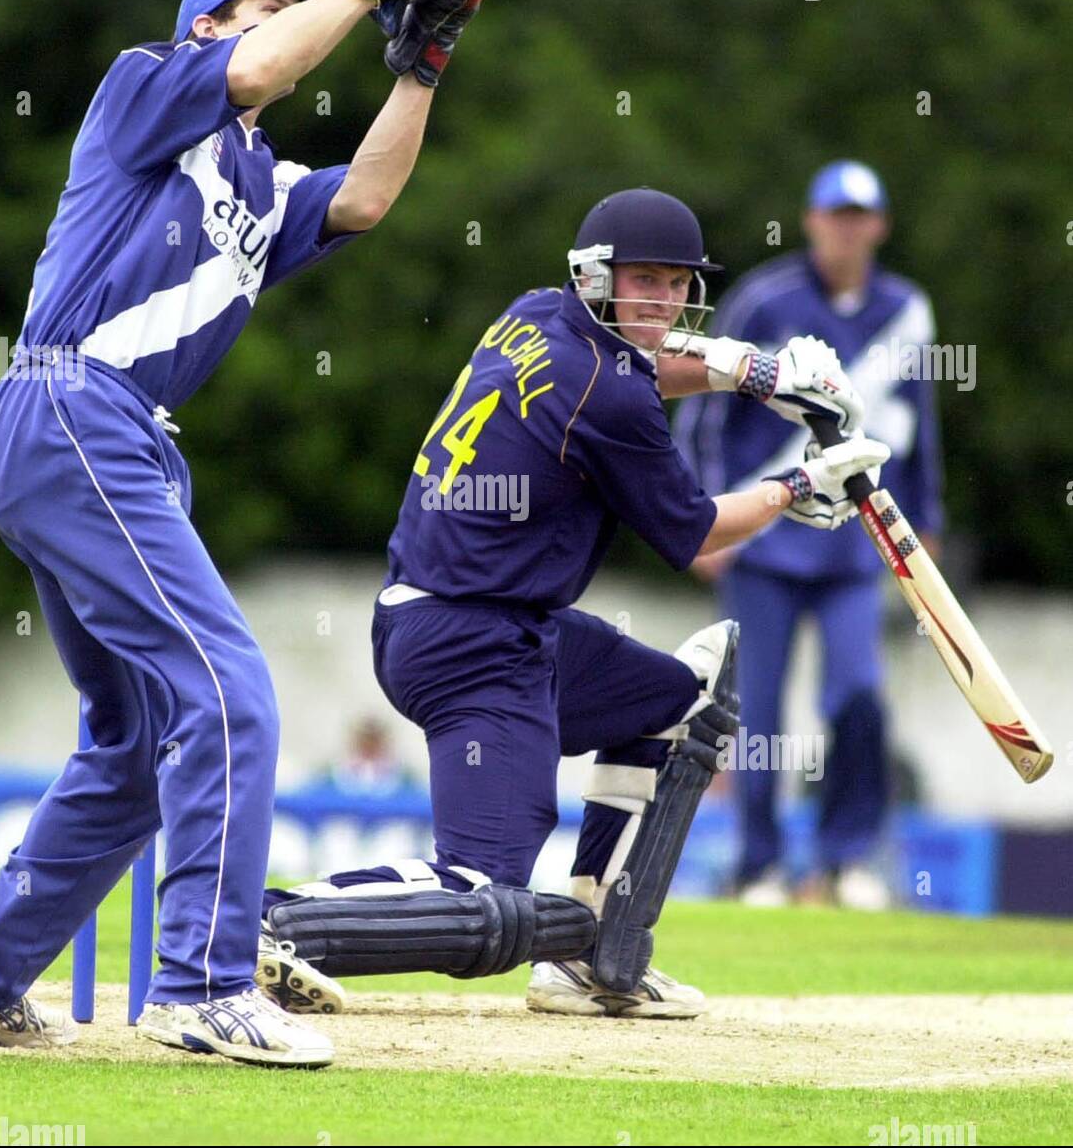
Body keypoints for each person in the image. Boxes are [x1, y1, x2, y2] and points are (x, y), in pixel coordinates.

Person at [0, 0, 516, 1068]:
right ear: (206, 27)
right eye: (262, 8)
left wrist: (421, 58)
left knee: (134, 741)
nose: (287, 23)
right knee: (231, 691)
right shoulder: (148, 86)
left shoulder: (256, 179)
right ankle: (196, 983)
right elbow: (258, 70)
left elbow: (368, 195)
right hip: (73, 403)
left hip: (102, 436)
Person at [252, 187, 886, 1021]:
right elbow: (696, 534)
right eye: (644, 281)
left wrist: (749, 371)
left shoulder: (532, 312)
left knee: (675, 703)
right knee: (485, 892)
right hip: (469, 642)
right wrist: (798, 487)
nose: (662, 301)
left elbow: (634, 362)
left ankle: (595, 954)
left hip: (494, 623)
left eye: (674, 284)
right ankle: (272, 924)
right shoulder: (613, 399)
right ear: (597, 279)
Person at [676, 161, 943, 909]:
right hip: (762, 538)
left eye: (861, 216)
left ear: (879, 226)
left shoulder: (907, 311)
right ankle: (759, 866)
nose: (847, 228)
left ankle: (846, 859)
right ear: (811, 220)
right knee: (757, 710)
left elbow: (921, 428)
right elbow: (701, 411)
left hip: (856, 544)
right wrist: (704, 516)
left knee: (859, 694)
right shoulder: (765, 298)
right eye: (836, 214)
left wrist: (927, 524)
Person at [304, 718, 418, 799]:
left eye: (374, 740)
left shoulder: (404, 777)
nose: (369, 744)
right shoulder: (330, 773)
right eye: (365, 739)